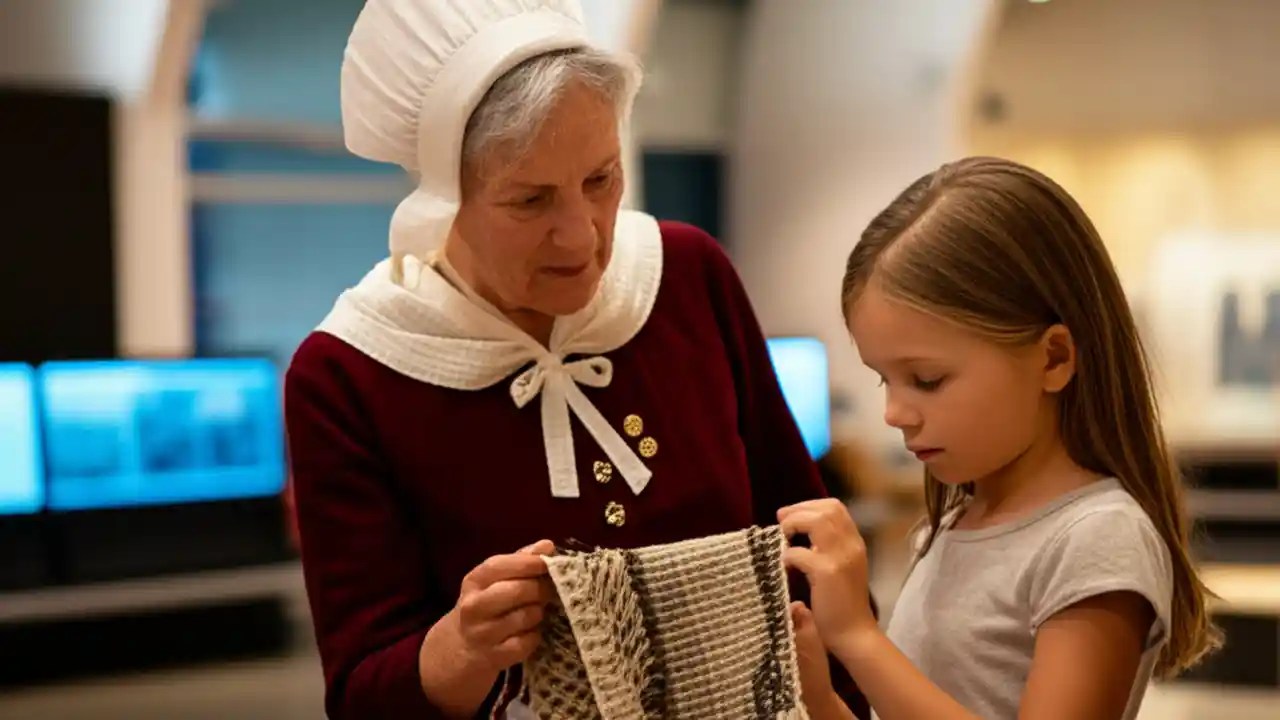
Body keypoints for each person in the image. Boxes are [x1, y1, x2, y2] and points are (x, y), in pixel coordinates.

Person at [284, 1, 869, 718]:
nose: (582, 237)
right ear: (442, 201)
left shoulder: (686, 274)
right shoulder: (351, 371)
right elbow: (361, 692)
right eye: (530, 201)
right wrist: (460, 647)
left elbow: (805, 545)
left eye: (601, 180)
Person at [775, 157, 1222, 720]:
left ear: (1053, 358)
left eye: (928, 379)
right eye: (884, 378)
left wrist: (860, 639)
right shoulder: (953, 523)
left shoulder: (1097, 538)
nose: (893, 412)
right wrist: (820, 697)